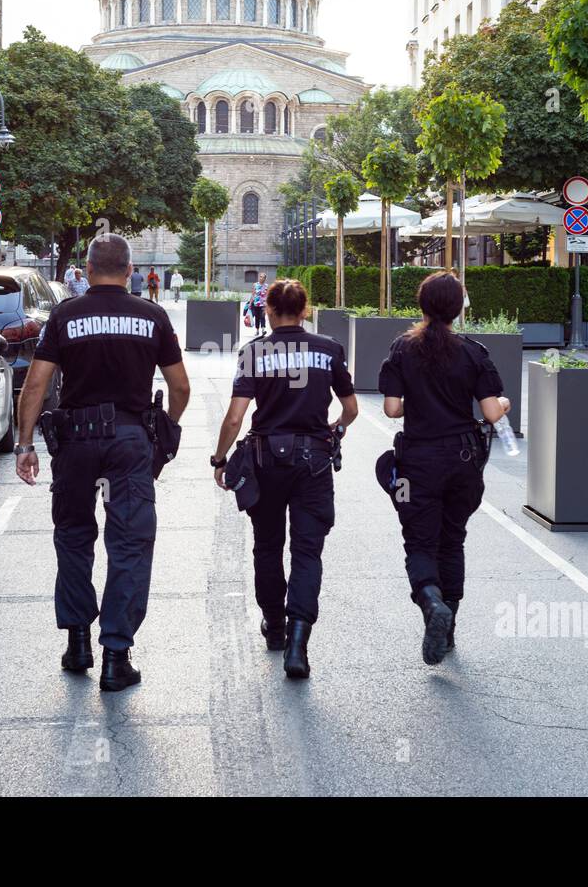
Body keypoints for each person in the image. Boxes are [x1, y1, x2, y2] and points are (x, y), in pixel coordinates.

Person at [15, 234, 191, 692]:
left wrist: (24, 444)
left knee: (73, 537)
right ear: (130, 270)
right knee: (129, 543)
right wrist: (163, 433)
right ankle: (116, 655)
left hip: (75, 440)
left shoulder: (65, 314)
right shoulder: (153, 316)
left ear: (88, 271)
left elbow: (35, 386)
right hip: (130, 440)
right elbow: (180, 388)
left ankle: (77, 643)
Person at [211, 279, 357, 678]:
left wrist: (220, 459)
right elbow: (351, 408)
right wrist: (335, 430)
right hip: (314, 461)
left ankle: (274, 626)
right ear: (305, 310)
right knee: (307, 552)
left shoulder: (254, 352)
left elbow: (236, 416)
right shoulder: (329, 349)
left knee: (267, 546)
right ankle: (298, 642)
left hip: (266, 461)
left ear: (270, 312)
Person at [378, 271, 511, 666]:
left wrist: (414, 404)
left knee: (419, 543)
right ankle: (448, 628)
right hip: (462, 461)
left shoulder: (402, 348)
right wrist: (503, 404)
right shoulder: (473, 352)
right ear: (457, 309)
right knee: (452, 540)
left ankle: (430, 601)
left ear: (422, 305)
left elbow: (391, 408)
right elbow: (490, 412)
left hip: (418, 460)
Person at [249, 272, 269, 336]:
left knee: (262, 316)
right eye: (261, 277)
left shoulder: (266, 286)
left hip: (263, 304)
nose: (262, 278)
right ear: (259, 277)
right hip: (256, 304)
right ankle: (257, 330)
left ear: (265, 279)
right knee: (257, 318)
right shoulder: (255, 285)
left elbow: (267, 295)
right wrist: (250, 303)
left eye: (263, 277)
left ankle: (263, 330)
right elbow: (253, 294)